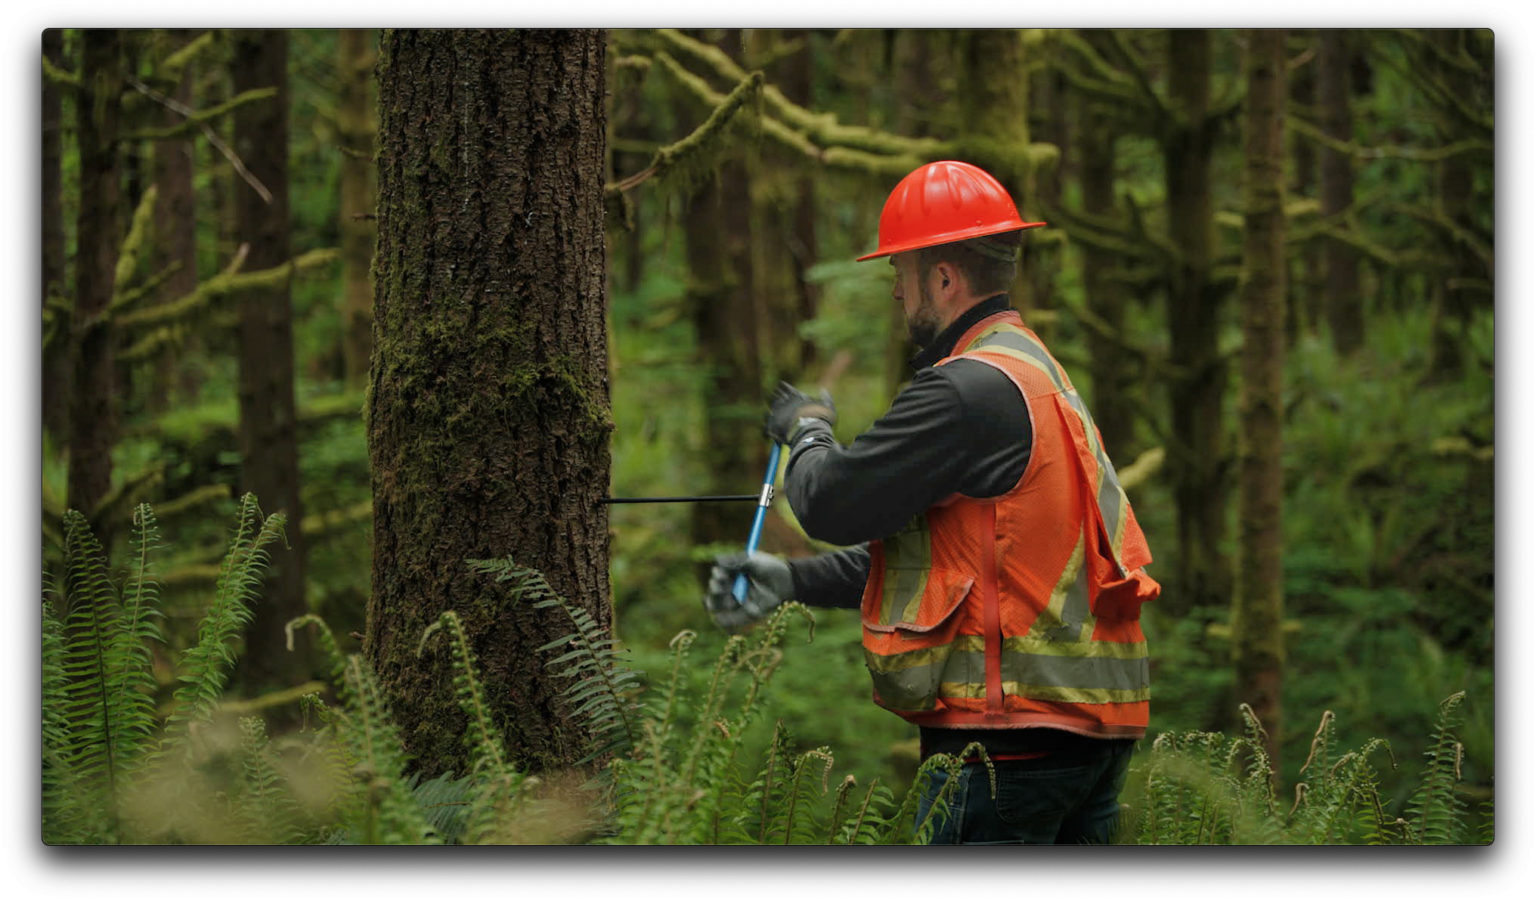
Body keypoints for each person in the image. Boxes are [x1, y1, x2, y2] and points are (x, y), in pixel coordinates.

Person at [704, 160, 1161, 845]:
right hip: (1081, 735)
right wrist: (794, 579)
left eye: (901, 270)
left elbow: (829, 501)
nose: (895, 290)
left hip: (1005, 744)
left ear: (944, 278)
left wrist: (806, 429)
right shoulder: (1036, 373)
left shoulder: (966, 390)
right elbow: (959, 563)